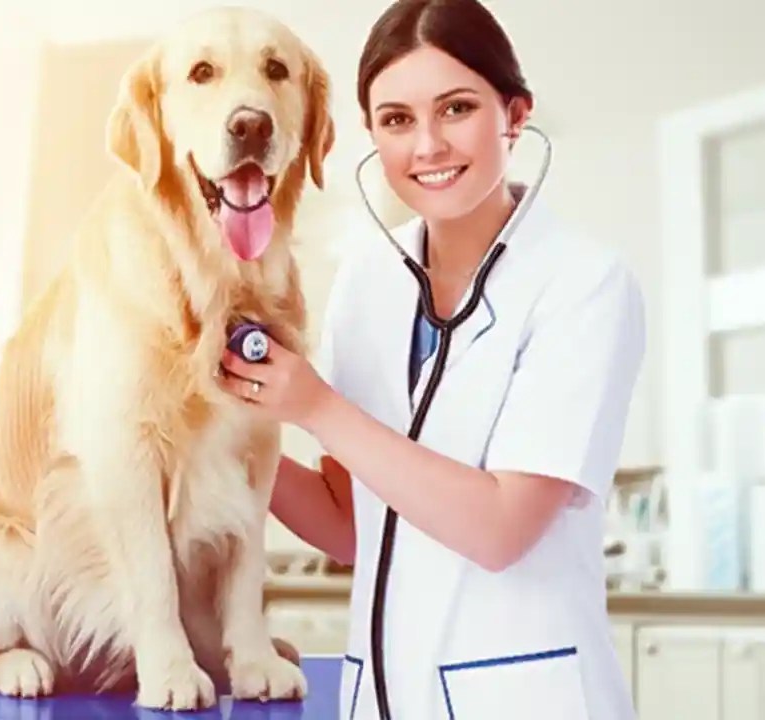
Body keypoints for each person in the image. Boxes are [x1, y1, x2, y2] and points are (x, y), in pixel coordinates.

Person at [215, 0, 645, 718]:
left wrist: (315, 406)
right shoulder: (367, 280)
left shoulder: (583, 283)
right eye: (396, 120)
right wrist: (226, 432)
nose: (428, 145)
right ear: (372, 135)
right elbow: (352, 527)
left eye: (456, 109)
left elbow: (501, 529)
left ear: (514, 115)